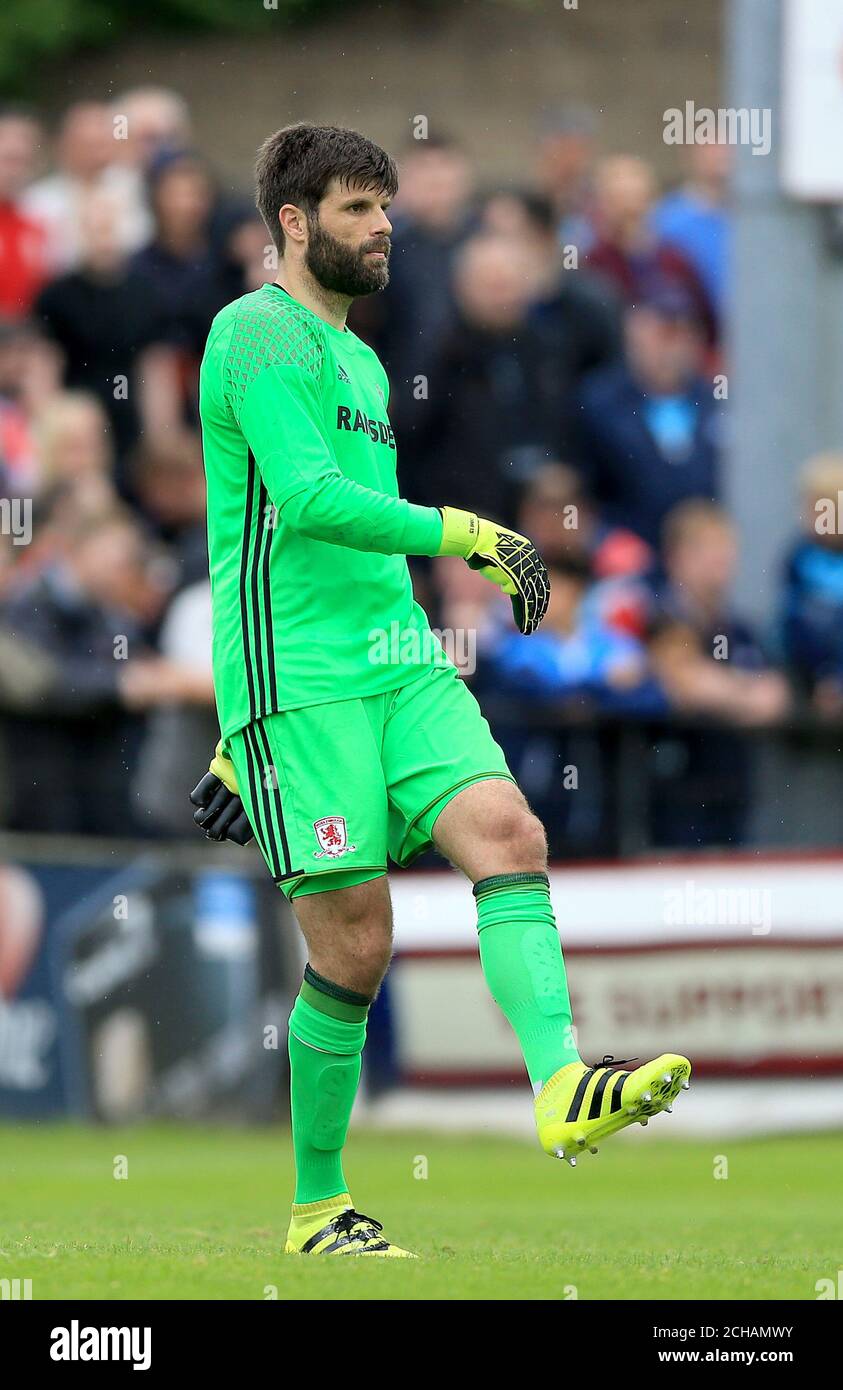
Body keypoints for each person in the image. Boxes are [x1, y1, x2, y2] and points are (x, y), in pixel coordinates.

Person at [191, 122, 691, 1258]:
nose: (384, 227)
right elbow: (309, 501)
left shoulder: (366, 361)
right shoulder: (252, 334)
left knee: (511, 833)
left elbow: (352, 529)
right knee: (355, 948)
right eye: (359, 208)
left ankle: (561, 1081)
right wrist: (465, 529)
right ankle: (321, 1207)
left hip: (400, 658)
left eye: (386, 206)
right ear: (294, 222)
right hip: (301, 678)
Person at [575, 279, 722, 549]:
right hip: (628, 558)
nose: (674, 347)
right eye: (663, 333)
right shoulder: (598, 403)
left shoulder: (717, 403)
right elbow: (581, 490)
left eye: (685, 333)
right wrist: (605, 539)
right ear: (633, 333)